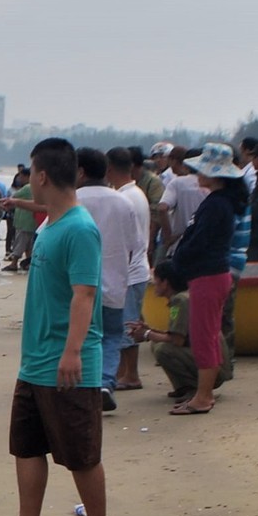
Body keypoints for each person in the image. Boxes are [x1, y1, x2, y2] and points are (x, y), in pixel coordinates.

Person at [0, 137, 111, 516]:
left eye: (30, 172)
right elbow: (39, 210)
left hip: (68, 361)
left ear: (41, 175)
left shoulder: (79, 228)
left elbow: (85, 295)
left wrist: (72, 351)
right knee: (26, 445)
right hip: (35, 360)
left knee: (80, 452)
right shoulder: (53, 222)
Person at [163, 146, 246, 415]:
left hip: (208, 276)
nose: (195, 172)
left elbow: (198, 242)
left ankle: (203, 396)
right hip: (211, 275)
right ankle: (203, 393)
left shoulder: (217, 204)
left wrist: (180, 260)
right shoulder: (220, 201)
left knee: (203, 338)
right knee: (207, 335)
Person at [72, 147, 145, 413]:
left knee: (79, 335)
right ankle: (103, 383)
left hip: (77, 285)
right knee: (110, 336)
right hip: (114, 283)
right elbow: (134, 244)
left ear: (80, 171)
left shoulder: (73, 200)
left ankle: (80, 384)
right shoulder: (123, 202)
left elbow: (47, 234)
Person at [106, 148, 156, 393]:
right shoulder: (134, 193)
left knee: (128, 324)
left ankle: (131, 374)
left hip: (132, 270)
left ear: (111, 169)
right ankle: (122, 372)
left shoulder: (127, 197)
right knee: (127, 321)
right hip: (135, 268)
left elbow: (127, 241)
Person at [131, 270, 195, 400]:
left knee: (163, 350)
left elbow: (177, 340)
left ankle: (193, 388)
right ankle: (183, 387)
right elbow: (178, 334)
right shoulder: (181, 298)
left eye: (156, 280)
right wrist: (150, 331)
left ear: (165, 283)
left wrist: (147, 334)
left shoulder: (180, 301)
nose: (153, 283)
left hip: (211, 364)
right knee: (157, 345)